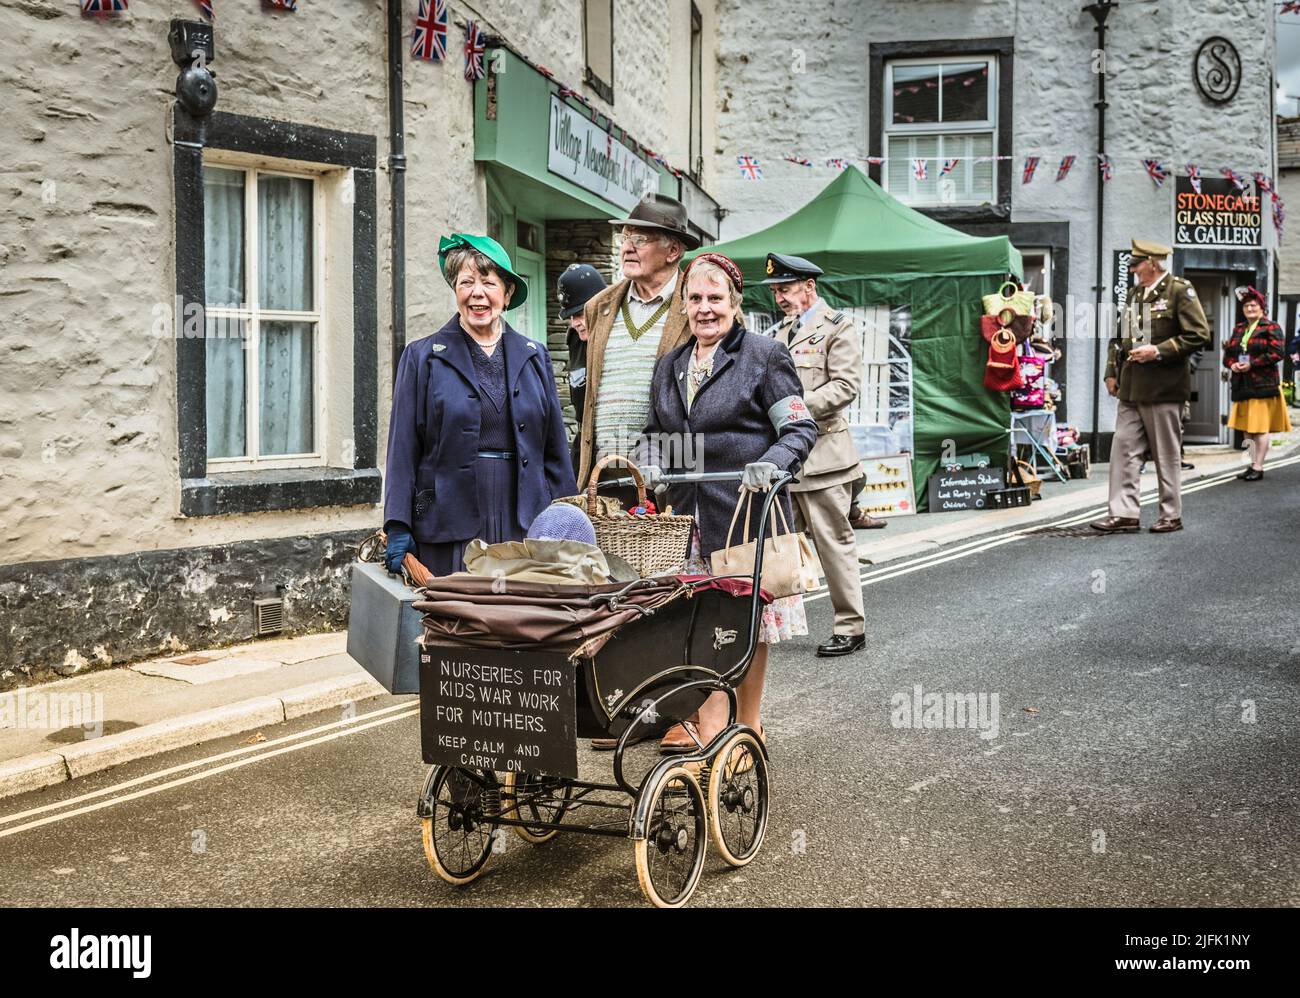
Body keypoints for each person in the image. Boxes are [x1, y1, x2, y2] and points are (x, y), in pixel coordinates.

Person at [639, 252, 818, 751]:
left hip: (744, 516)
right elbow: (656, 434)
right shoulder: (670, 366)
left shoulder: (764, 356)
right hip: (685, 519)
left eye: (715, 298)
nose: (704, 308)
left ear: (734, 304)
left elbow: (800, 426)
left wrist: (774, 463)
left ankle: (748, 726)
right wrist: (651, 461)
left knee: (743, 626)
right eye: (694, 298)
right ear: (683, 304)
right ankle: (711, 725)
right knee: (694, 623)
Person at [382, 233, 577, 576]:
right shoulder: (422, 357)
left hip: (524, 519)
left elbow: (554, 451)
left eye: (488, 282)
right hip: (447, 517)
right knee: (455, 622)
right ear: (455, 290)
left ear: (507, 292)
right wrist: (397, 522)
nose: (477, 293)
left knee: (520, 618)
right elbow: (402, 448)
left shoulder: (535, 357)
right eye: (466, 282)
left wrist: (570, 517)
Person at [763, 252, 871, 657]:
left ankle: (850, 627)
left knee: (832, 543)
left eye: (786, 289)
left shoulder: (838, 327)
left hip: (825, 457)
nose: (780, 298)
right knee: (778, 542)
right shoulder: (780, 335)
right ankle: (775, 624)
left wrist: (793, 407)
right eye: (776, 292)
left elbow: (845, 386)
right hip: (787, 457)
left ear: (809, 287)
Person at [575, 193, 698, 492]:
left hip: (672, 474)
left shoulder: (701, 305)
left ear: (673, 250)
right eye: (625, 237)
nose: (627, 247)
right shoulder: (598, 306)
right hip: (604, 475)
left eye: (641, 238)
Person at [1093, 240, 1210, 535]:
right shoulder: (1134, 294)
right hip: (1131, 387)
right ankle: (1124, 514)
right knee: (1123, 450)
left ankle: (1171, 515)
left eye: (1136, 264)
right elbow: (1118, 337)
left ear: (1152, 263)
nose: (1131, 269)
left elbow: (1198, 334)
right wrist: (1110, 371)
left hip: (1163, 387)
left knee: (1166, 454)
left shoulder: (1179, 290)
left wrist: (1157, 351)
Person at [1224, 285, 1291, 481]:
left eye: (1253, 306)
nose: (1250, 309)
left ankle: (1259, 466)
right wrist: (1233, 364)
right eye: (1246, 307)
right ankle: (1251, 464)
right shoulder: (1238, 328)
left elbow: (1277, 353)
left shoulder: (1271, 327)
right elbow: (1227, 355)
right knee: (1246, 428)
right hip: (1242, 384)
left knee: (1259, 428)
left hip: (1263, 385)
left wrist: (1252, 364)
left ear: (1262, 308)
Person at [556, 263, 607, 475]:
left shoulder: (617, 340)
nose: (575, 322)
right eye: (571, 316)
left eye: (580, 314)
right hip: (584, 443)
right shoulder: (576, 339)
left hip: (615, 444)